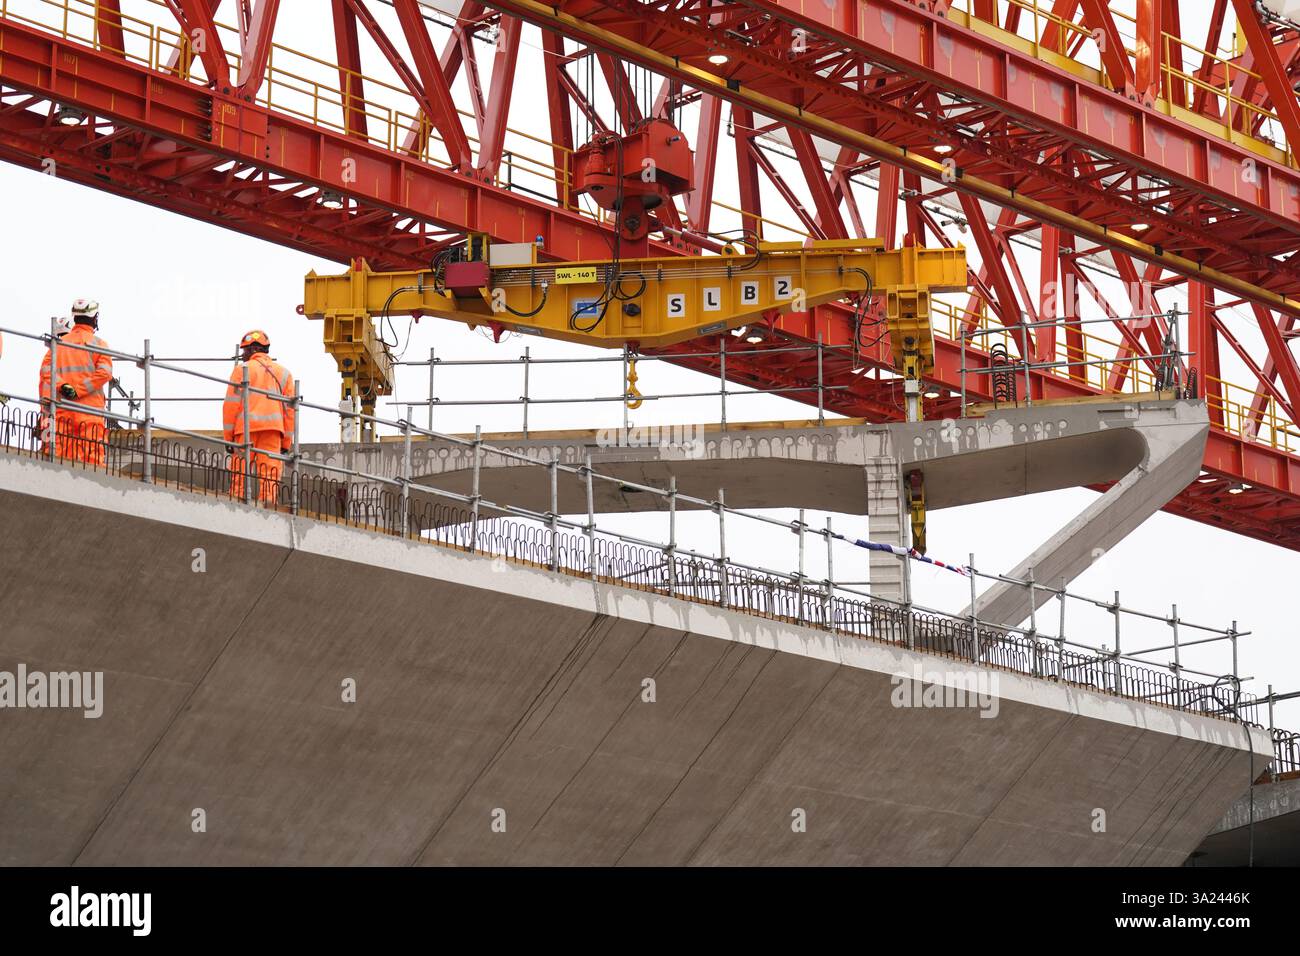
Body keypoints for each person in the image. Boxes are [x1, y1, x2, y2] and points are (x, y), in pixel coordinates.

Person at [223, 330, 295, 504]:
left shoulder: (242, 370)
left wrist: (228, 438)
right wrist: (286, 442)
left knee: (240, 467)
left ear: (253, 349)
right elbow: (290, 412)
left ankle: (237, 499)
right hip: (273, 432)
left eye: (245, 350)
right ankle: (267, 504)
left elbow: (231, 405)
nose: (242, 355)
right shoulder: (284, 373)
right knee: (270, 472)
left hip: (245, 429)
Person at [40, 303, 111, 465]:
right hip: (90, 412)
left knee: (56, 456)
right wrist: (78, 390)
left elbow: (45, 371)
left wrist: (62, 386)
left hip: (60, 411)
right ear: (94, 318)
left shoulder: (57, 345)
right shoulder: (100, 344)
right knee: (92, 460)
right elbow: (105, 373)